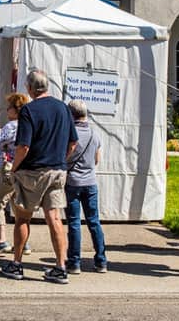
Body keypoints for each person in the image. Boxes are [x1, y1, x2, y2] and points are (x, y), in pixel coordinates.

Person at [2, 69, 77, 284]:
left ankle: (16, 263)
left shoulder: (28, 110)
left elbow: (23, 146)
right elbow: (73, 141)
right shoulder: (63, 108)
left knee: (23, 217)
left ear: (30, 88)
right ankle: (61, 266)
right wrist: (61, 158)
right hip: (57, 170)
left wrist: (14, 168)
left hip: (33, 171)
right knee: (54, 217)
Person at [64, 99, 107, 274]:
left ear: (71, 114)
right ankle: (101, 261)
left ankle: (74, 262)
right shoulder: (95, 134)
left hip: (73, 182)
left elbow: (64, 157)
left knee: (74, 222)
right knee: (94, 222)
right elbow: (97, 160)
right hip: (90, 183)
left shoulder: (69, 134)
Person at [0, 92, 31, 257]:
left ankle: (1, 240)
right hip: (22, 170)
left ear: (16, 109)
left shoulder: (11, 126)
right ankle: (23, 242)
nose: (7, 110)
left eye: (9, 107)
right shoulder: (28, 125)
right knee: (18, 205)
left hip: (7, 168)